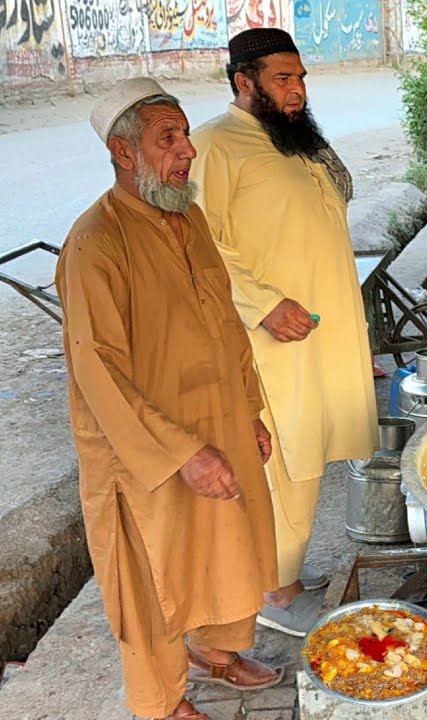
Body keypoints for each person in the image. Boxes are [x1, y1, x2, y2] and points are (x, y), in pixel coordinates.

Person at [57, 78, 281, 720]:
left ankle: (218, 651)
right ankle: (160, 702)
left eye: (185, 134)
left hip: (218, 421)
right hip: (144, 453)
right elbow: (96, 370)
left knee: (228, 546)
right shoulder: (96, 242)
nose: (187, 150)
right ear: (124, 153)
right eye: (168, 139)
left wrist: (249, 410)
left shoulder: (189, 215)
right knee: (152, 577)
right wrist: (182, 452)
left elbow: (227, 325)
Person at [189, 28, 377, 635]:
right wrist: (263, 304)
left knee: (311, 453)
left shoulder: (295, 142)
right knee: (282, 457)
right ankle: (271, 591)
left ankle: (286, 573)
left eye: (300, 79)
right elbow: (199, 244)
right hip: (272, 338)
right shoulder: (216, 145)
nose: (297, 91)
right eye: (282, 80)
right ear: (243, 83)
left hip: (322, 333)